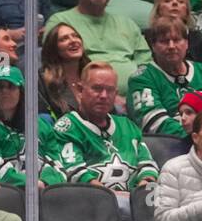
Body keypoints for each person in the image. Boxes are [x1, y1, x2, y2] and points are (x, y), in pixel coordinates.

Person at [50, 60, 158, 203]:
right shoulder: (67, 127)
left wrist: (142, 191)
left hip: (134, 205)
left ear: (116, 94)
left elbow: (148, 166)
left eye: (110, 90)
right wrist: (115, 200)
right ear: (80, 90)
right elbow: (75, 173)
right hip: (91, 208)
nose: (104, 95)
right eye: (97, 88)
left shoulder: (127, 126)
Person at [45, 0, 151, 94]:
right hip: (88, 99)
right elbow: (55, 67)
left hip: (136, 96)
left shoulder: (127, 23)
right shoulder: (60, 21)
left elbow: (146, 65)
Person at [0, 64, 60, 188]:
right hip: (4, 193)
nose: (4, 91)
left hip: (44, 191)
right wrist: (30, 183)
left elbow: (57, 164)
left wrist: (45, 182)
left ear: (22, 92)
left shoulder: (40, 124)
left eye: (11, 87)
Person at [128, 15, 202, 138]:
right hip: (170, 149)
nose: (171, 46)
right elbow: (153, 123)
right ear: (153, 46)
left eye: (177, 40)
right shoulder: (142, 79)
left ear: (187, 43)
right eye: (164, 41)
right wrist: (198, 139)